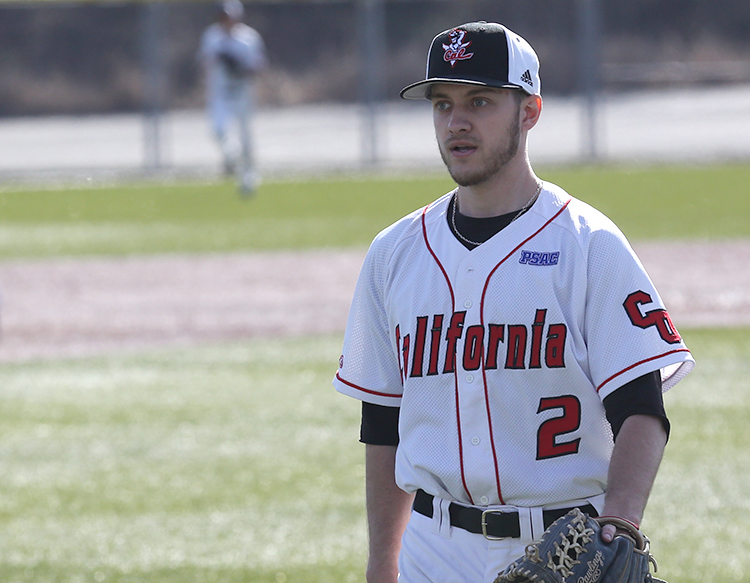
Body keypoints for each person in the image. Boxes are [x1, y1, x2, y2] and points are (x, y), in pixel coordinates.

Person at [333, 21, 695, 583]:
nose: (457, 122)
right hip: (433, 549)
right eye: (443, 103)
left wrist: (621, 521)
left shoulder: (587, 244)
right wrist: (384, 562)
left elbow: (642, 410)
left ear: (529, 112)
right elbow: (383, 423)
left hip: (565, 547)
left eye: (480, 101)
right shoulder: (394, 254)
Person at [198, 0, 267, 196]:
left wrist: (239, 67)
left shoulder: (249, 38)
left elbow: (258, 67)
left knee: (246, 137)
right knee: (217, 130)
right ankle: (231, 156)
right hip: (221, 93)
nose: (225, 21)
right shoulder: (212, 36)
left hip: (242, 92)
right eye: (222, 17)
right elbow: (205, 63)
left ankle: (248, 178)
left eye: (228, 17)